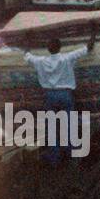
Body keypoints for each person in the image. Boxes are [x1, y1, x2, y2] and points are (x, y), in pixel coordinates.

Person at [25, 36, 95, 164]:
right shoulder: (67, 58)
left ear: (48, 48)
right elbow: (88, 48)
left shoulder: (40, 61)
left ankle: (54, 157)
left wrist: (28, 41)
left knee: (51, 126)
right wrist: (93, 31)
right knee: (69, 125)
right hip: (65, 95)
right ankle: (72, 154)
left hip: (49, 96)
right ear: (60, 47)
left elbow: (27, 55)